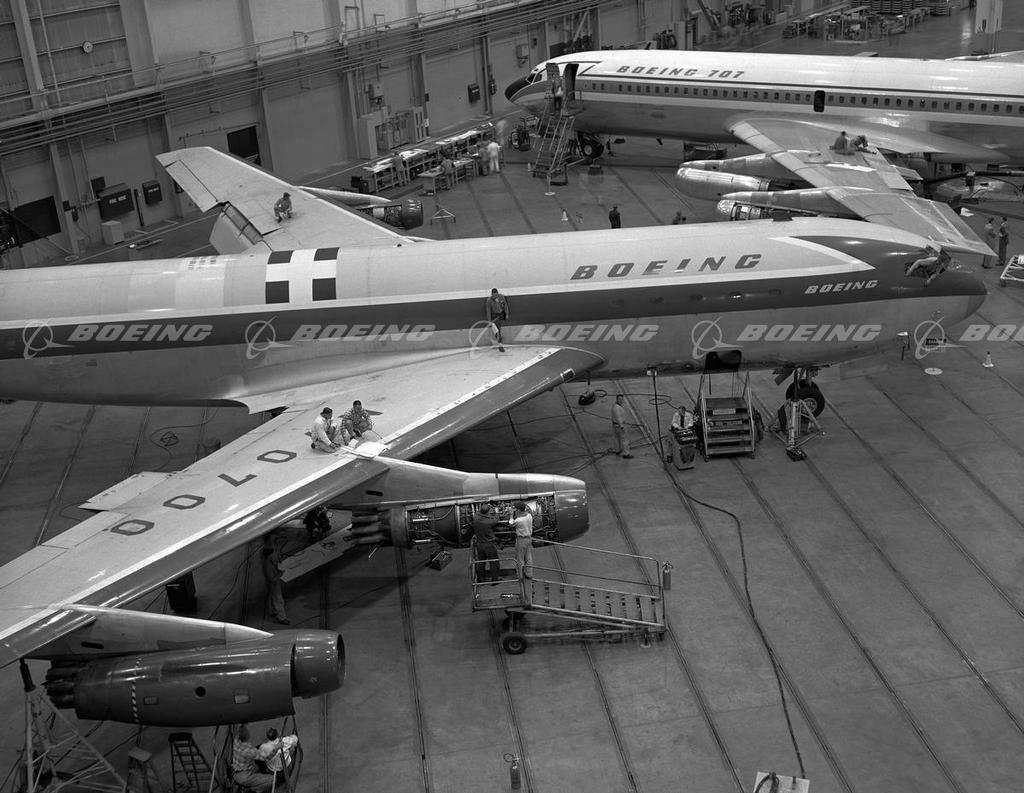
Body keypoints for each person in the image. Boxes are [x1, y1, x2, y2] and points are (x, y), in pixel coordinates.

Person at [232, 725, 276, 793]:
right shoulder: (249, 750)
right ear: (247, 735)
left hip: (235, 772)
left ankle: (240, 784)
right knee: (273, 779)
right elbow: (268, 757)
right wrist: (277, 748)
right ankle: (252, 789)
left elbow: (235, 729)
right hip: (245, 777)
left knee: (256, 766)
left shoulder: (235, 741)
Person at [261, 539, 288, 625]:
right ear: (269, 556)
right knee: (279, 600)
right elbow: (271, 578)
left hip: (272, 585)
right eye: (273, 556)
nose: (274, 557)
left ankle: (272, 611)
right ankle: (282, 618)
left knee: (272, 597)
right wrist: (280, 574)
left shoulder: (268, 561)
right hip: (273, 585)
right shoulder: (267, 566)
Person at [472, 503, 501, 583]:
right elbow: (496, 520)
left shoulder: (475, 517)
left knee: (481, 563)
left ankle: (482, 580)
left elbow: (479, 513)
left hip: (479, 544)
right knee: (494, 563)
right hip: (489, 545)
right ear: (487, 512)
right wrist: (496, 511)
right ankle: (495, 580)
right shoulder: (489, 522)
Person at [510, 501, 534, 579]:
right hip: (529, 539)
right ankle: (529, 574)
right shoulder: (529, 516)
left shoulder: (519, 520)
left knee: (520, 558)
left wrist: (511, 515)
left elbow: (511, 524)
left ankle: (520, 576)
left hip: (521, 540)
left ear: (519, 510)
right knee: (528, 557)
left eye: (516, 509)